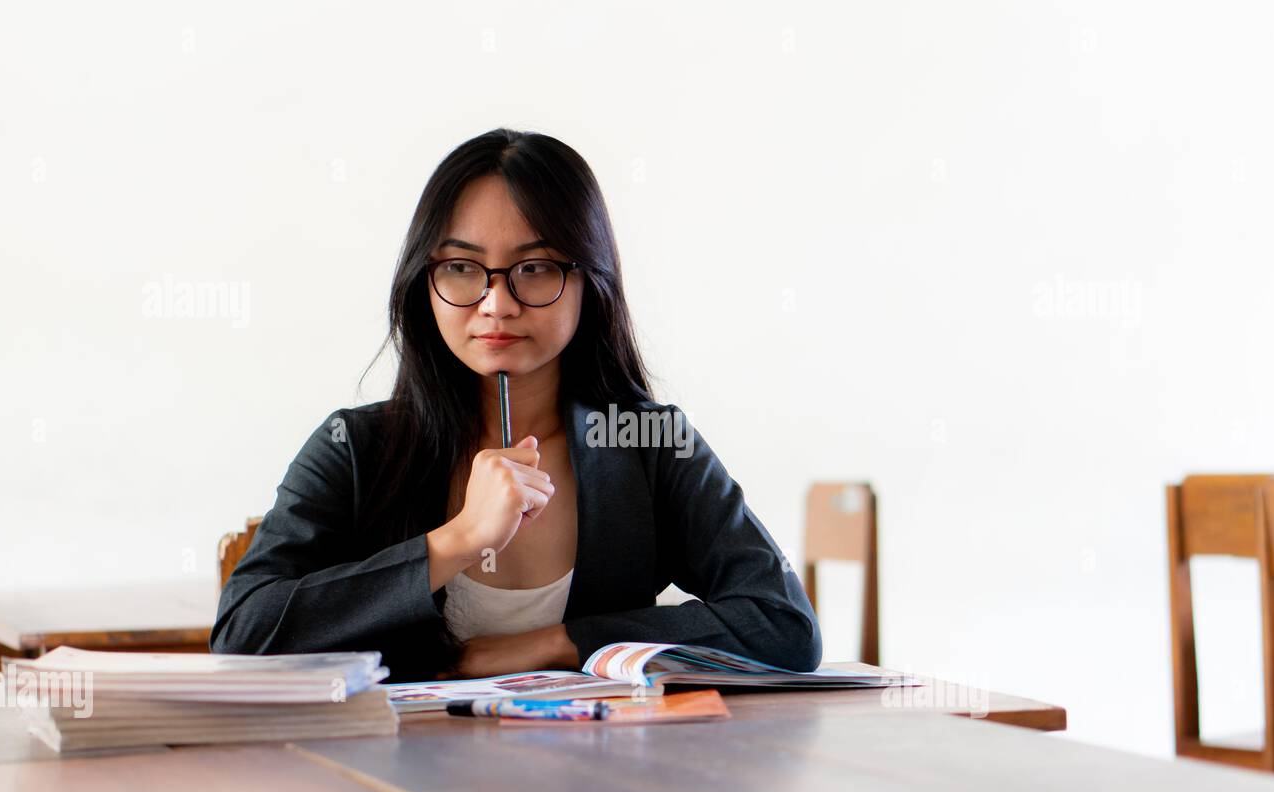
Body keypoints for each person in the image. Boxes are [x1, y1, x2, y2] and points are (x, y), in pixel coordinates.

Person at [209, 128, 822, 683]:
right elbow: (242, 634)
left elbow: (782, 623)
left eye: (534, 268)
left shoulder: (642, 440)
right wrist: (458, 539)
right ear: (424, 284)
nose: (496, 304)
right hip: (398, 786)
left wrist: (559, 642)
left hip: (600, 785)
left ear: (590, 281)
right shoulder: (356, 448)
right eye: (460, 267)